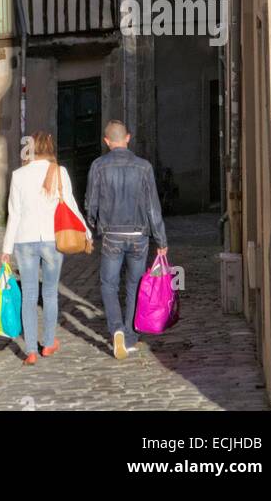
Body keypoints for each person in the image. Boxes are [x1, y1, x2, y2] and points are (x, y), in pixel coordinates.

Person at [0, 130, 91, 365]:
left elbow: (14, 214)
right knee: (50, 293)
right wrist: (87, 233)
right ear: (50, 148)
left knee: (29, 295)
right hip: (52, 240)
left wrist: (6, 249)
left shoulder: (18, 175)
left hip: (24, 240)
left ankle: (30, 349)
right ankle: (48, 343)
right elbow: (70, 205)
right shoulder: (60, 172)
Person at [85, 119, 168, 361]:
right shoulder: (144, 167)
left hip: (112, 234)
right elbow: (153, 207)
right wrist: (160, 239)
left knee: (109, 285)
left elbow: (92, 202)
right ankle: (130, 337)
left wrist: (93, 224)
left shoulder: (98, 166)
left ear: (107, 141)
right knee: (134, 285)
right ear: (128, 138)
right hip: (138, 236)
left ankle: (117, 330)